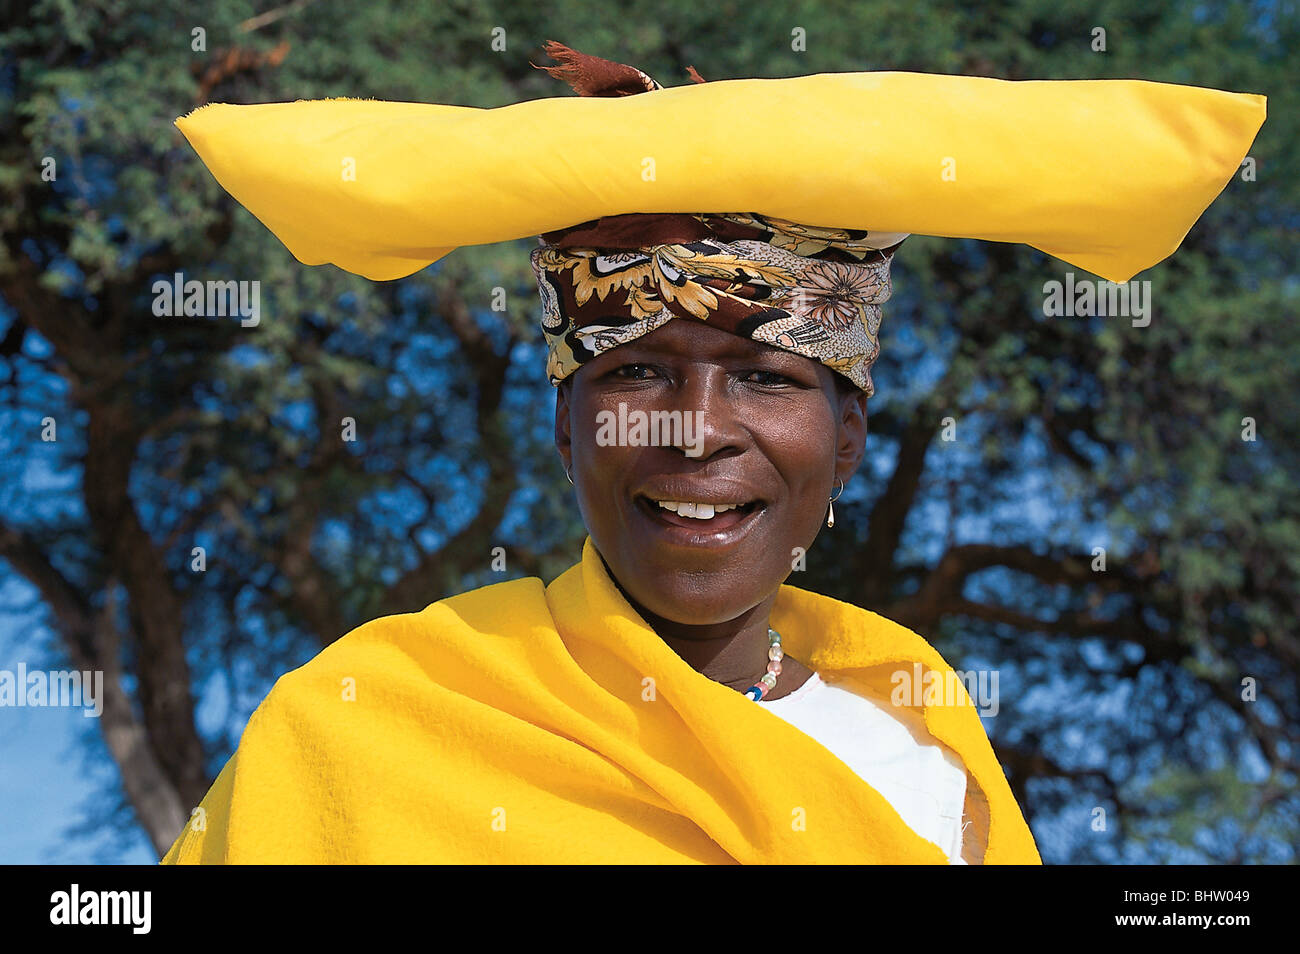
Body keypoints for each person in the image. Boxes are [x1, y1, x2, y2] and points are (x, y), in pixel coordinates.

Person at [161, 43, 1264, 864]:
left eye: (766, 377)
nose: (692, 427)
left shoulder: (921, 749)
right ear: (563, 426)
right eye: (633, 370)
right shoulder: (366, 721)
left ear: (846, 443)